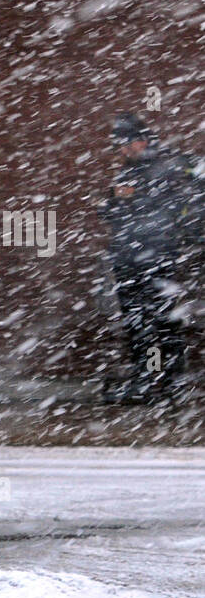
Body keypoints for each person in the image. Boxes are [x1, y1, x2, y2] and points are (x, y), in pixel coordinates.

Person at [101, 112, 192, 404]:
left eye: (127, 144)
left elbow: (173, 209)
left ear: (142, 141)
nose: (123, 150)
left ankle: (172, 382)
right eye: (120, 145)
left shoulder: (165, 167)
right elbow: (110, 211)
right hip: (129, 256)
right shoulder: (127, 172)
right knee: (136, 322)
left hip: (156, 255)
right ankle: (145, 380)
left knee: (164, 320)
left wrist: (133, 201)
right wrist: (116, 202)